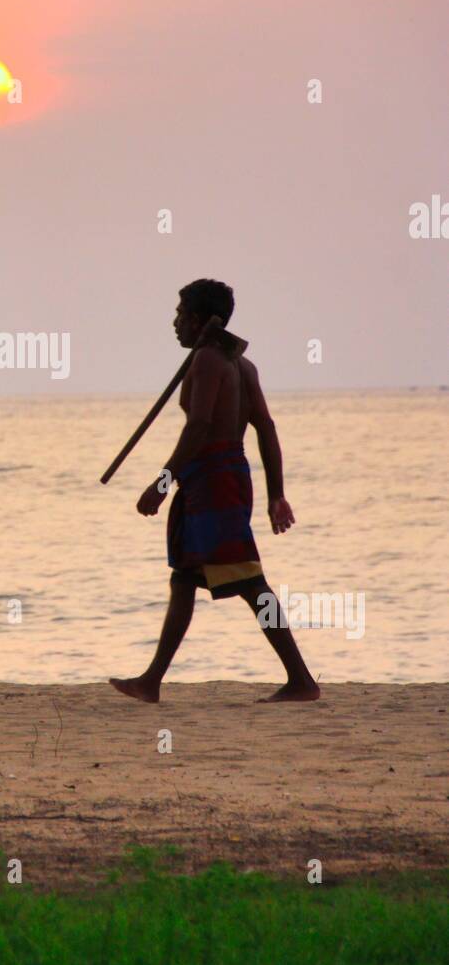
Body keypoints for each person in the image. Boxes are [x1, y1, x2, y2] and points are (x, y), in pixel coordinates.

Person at [110, 278, 319, 705]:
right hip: (221, 475)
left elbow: (200, 426)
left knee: (250, 582)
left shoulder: (209, 360)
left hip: (215, 480)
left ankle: (300, 679)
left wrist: (163, 482)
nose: (174, 323)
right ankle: (151, 681)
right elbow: (266, 429)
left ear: (202, 321)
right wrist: (276, 492)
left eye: (180, 315)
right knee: (185, 577)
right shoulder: (242, 366)